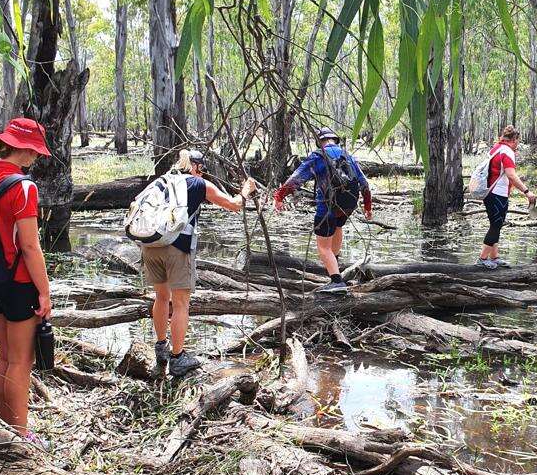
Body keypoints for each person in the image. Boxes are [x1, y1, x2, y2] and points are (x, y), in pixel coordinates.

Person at [142, 149, 257, 376]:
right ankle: (177, 358)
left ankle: (161, 349)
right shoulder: (198, 184)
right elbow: (234, 205)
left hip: (150, 245)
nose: (203, 173)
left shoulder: (162, 181)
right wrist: (246, 190)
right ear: (196, 167)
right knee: (181, 303)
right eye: (202, 169)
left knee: (162, 297)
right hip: (177, 247)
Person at [0, 117, 52, 440]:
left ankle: (5, 430)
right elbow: (30, 246)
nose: (36, 158)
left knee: (2, 355)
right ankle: (21, 436)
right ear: (25, 150)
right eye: (35, 152)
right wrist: (44, 292)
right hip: (18, 282)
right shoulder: (24, 187)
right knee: (20, 361)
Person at [273, 127, 372, 292]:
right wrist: (368, 207)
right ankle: (335, 269)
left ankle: (336, 281)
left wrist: (279, 196)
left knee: (323, 247)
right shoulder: (348, 157)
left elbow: (296, 179)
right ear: (335, 140)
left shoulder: (318, 156)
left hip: (327, 206)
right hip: (347, 206)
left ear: (320, 141)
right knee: (338, 227)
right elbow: (365, 184)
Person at [477, 126, 537, 269]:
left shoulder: (496, 148)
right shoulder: (507, 152)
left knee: (496, 224)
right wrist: (527, 192)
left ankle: (494, 257)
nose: (518, 144)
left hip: (490, 192)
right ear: (514, 140)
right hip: (497, 192)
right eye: (518, 141)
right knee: (496, 225)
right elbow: (511, 175)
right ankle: (482, 258)